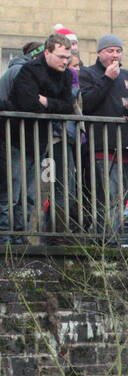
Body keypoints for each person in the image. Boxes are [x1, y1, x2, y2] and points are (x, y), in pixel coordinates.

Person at [80, 34, 128, 237]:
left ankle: (112, 239)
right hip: (101, 148)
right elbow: (87, 103)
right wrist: (108, 79)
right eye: (110, 51)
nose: (115, 55)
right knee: (106, 198)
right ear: (100, 53)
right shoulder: (88, 74)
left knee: (121, 198)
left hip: (127, 148)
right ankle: (103, 240)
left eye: (118, 51)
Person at [8, 34, 74, 242]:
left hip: (39, 141)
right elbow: (28, 103)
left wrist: (46, 102)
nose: (65, 61)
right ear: (47, 53)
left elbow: (68, 107)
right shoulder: (29, 70)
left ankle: (21, 236)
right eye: (61, 56)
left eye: (68, 57)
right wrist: (50, 105)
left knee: (29, 194)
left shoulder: (66, 75)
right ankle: (8, 237)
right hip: (16, 138)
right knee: (13, 192)